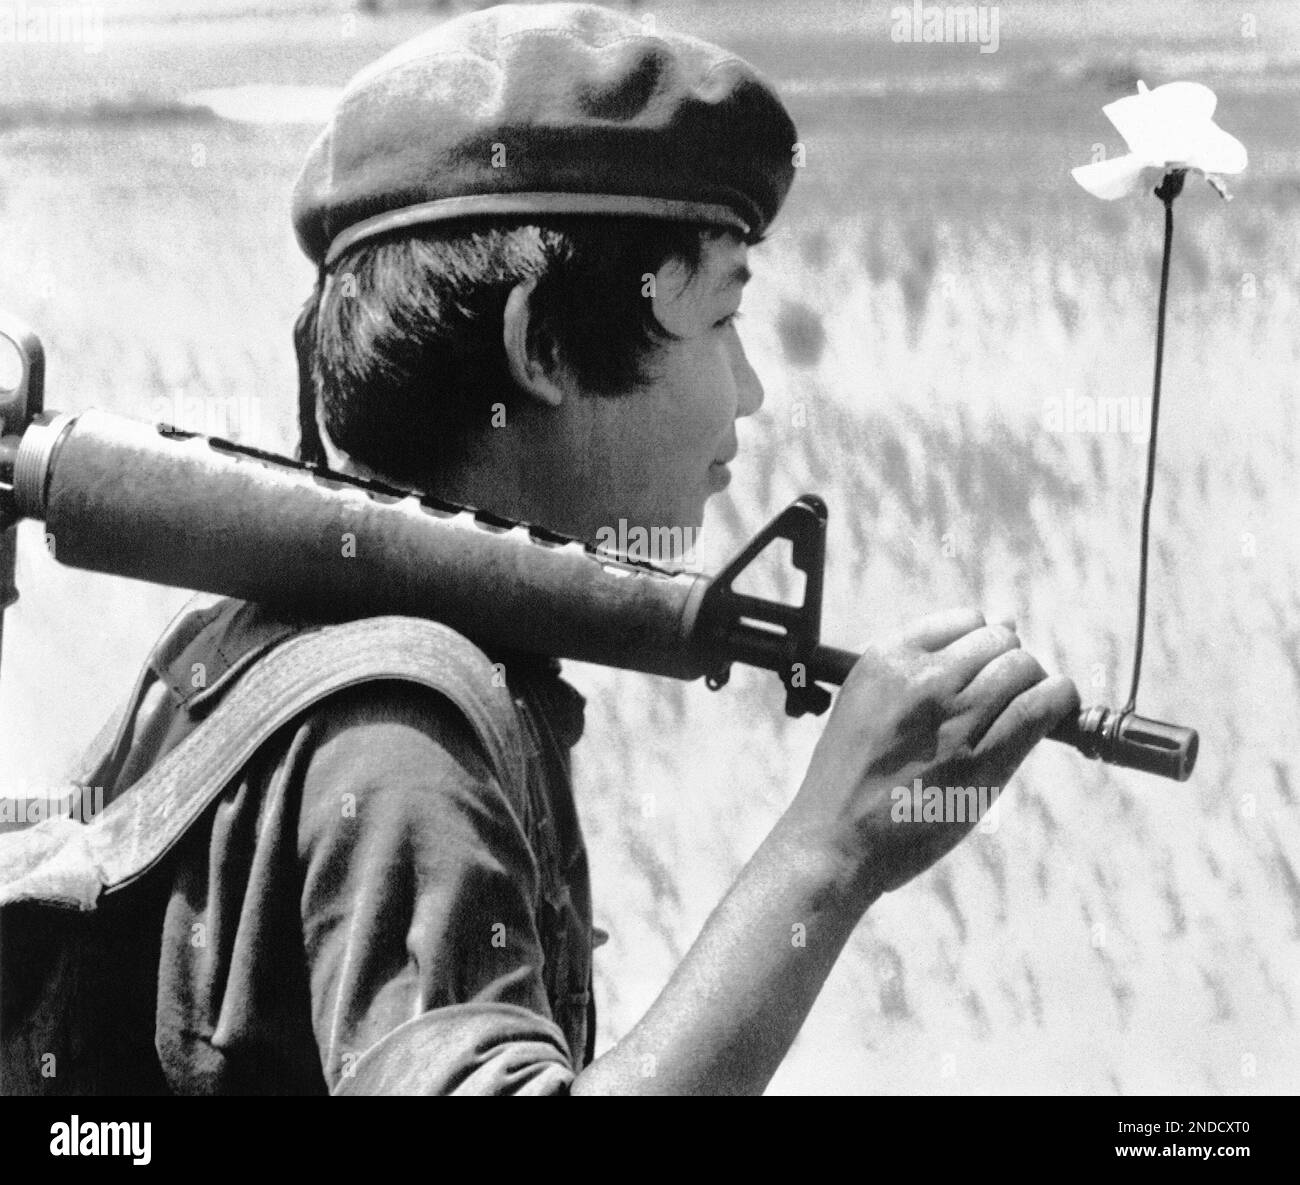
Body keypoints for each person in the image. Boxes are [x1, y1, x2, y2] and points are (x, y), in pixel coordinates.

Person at [87, 2, 1079, 1095]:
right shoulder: (400, 731)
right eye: (717, 320)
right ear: (542, 343)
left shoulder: (255, 644)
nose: (748, 390)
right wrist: (826, 855)